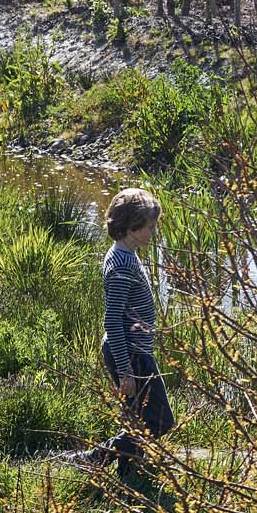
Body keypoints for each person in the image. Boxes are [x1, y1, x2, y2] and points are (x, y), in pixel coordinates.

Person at [96, 187, 173, 472]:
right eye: (150, 227)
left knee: (138, 419)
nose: (153, 233)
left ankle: (128, 472)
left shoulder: (124, 254)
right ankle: (98, 458)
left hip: (135, 351)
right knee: (160, 420)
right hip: (131, 354)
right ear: (131, 228)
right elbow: (113, 321)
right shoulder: (121, 266)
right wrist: (126, 370)